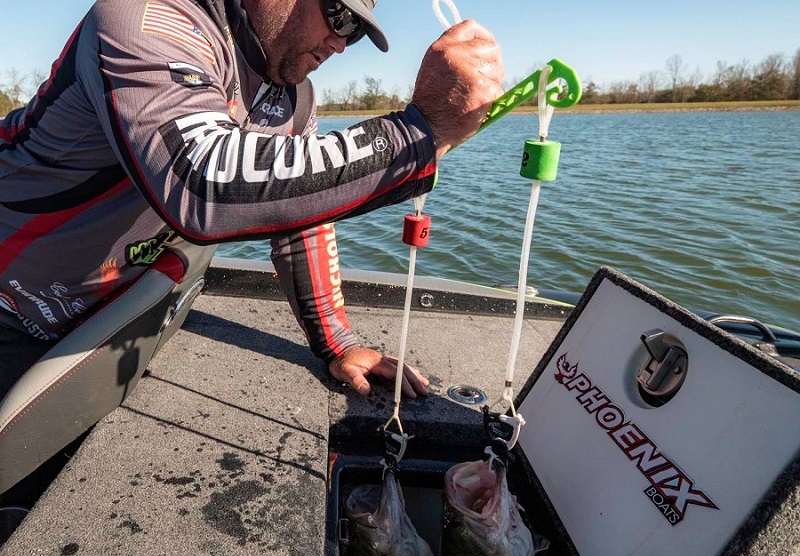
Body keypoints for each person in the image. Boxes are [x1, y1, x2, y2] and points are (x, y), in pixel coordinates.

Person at [0, 0, 504, 403]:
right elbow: (202, 182)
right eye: (339, 15)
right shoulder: (143, 16)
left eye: (355, 31)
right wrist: (417, 133)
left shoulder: (293, 97)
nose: (341, 43)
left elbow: (298, 217)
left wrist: (339, 343)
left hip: (106, 313)